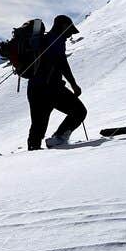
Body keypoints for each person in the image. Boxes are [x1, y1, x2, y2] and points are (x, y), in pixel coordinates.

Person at [27, 14, 87, 150]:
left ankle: (32, 153)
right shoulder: (56, 39)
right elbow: (61, 62)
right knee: (79, 111)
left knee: (38, 125)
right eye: (70, 31)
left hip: (34, 90)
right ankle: (58, 139)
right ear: (64, 26)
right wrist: (74, 84)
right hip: (51, 88)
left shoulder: (45, 40)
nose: (69, 35)